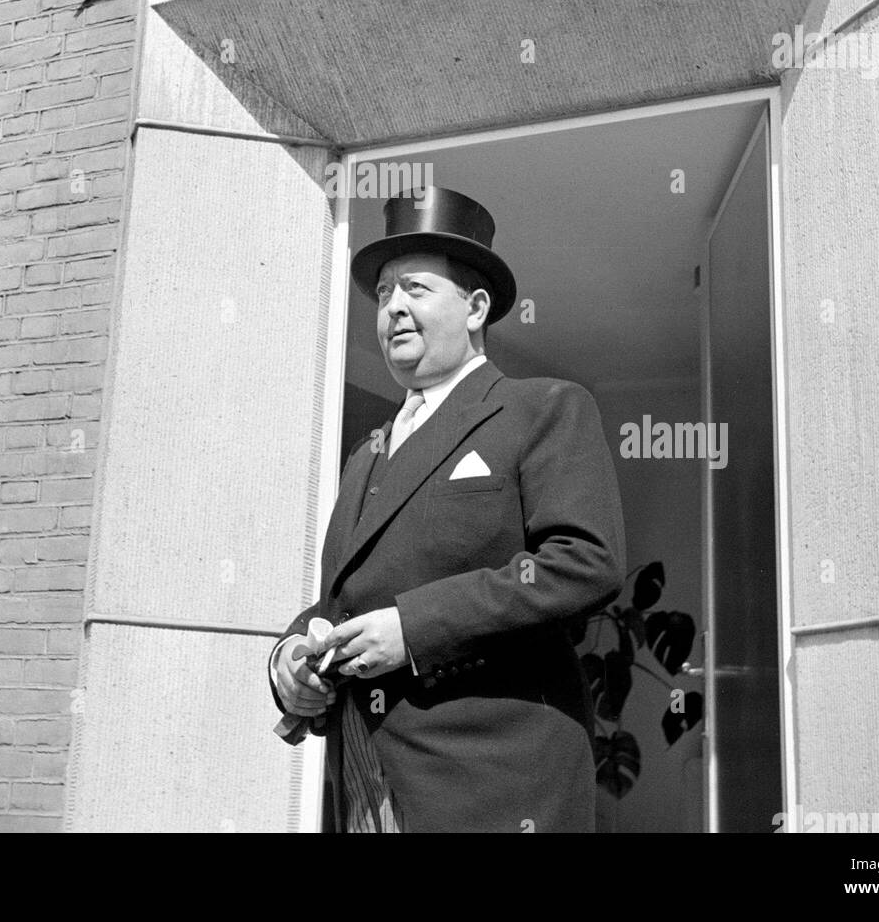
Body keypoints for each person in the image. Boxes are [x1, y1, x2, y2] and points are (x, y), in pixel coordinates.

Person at [268, 185, 626, 832]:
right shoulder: (366, 455)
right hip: (367, 792)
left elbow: (586, 562)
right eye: (382, 294)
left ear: (475, 306)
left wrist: (413, 629)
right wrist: (293, 656)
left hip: (494, 792)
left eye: (414, 288)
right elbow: (342, 602)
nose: (392, 308)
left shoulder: (541, 409)